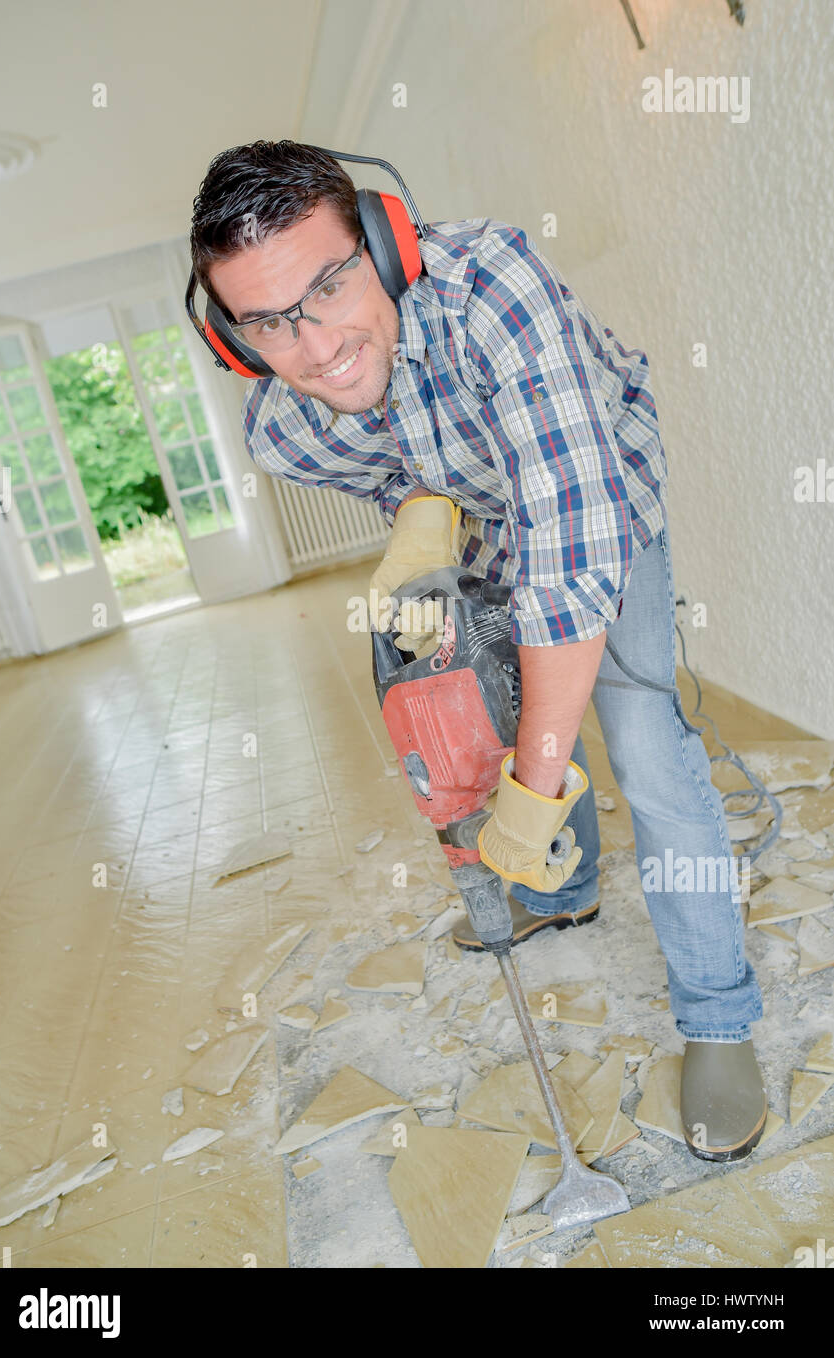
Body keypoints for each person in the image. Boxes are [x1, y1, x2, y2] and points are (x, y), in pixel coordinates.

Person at [189, 139, 766, 1162]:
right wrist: (422, 518)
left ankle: (718, 1020)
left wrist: (536, 781)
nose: (311, 346)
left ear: (385, 245)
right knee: (495, 700)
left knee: (640, 741)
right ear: (232, 339)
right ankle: (562, 883)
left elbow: (571, 541)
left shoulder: (488, 282)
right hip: (487, 515)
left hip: (597, 485)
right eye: (267, 321)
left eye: (325, 286)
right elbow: (398, 461)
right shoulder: (286, 430)